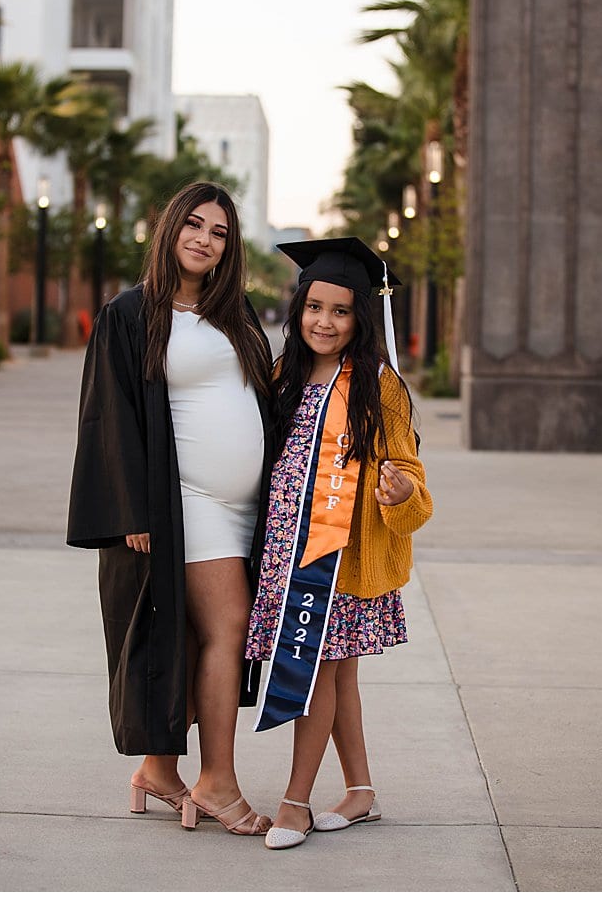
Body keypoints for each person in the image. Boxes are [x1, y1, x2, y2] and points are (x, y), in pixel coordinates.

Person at [68, 182, 277, 836]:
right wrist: (133, 509)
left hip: (243, 509)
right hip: (184, 501)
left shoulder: (233, 313)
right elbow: (109, 416)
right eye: (194, 225)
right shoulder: (131, 314)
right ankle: (217, 780)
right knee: (229, 624)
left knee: (187, 633)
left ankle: (158, 772)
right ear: (170, 230)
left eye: (218, 232)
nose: (204, 240)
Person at [246, 237, 431, 850]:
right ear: (299, 310)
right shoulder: (285, 374)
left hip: (338, 563)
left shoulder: (379, 386)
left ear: (362, 318)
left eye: (341, 311)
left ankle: (294, 802)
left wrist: (400, 492)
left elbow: (417, 489)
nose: (324, 322)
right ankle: (361, 793)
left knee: (317, 672)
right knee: (339, 678)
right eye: (314, 308)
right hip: (287, 552)